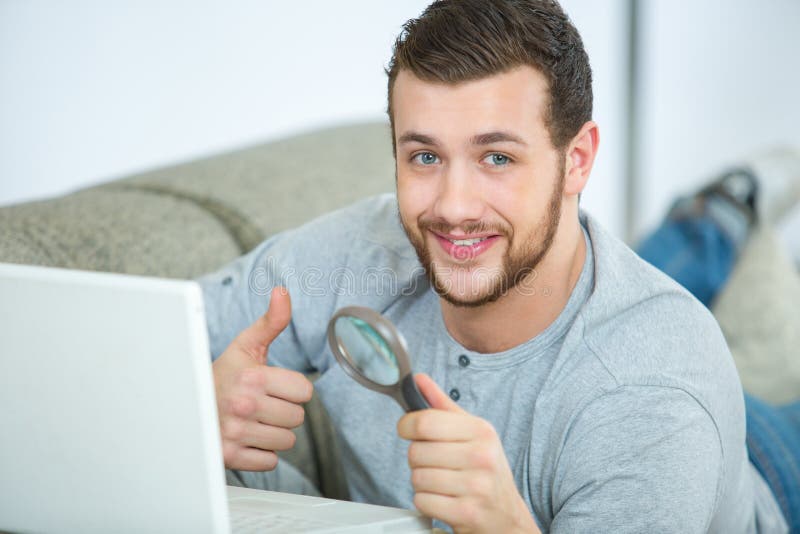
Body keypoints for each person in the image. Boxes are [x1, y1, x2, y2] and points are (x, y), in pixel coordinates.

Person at [199, 1, 789, 532]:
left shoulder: (650, 402)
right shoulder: (359, 254)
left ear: (578, 159)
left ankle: (722, 211)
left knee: (675, 287)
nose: (453, 207)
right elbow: (135, 338)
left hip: (772, 463)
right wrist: (195, 401)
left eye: (497, 157)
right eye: (425, 156)